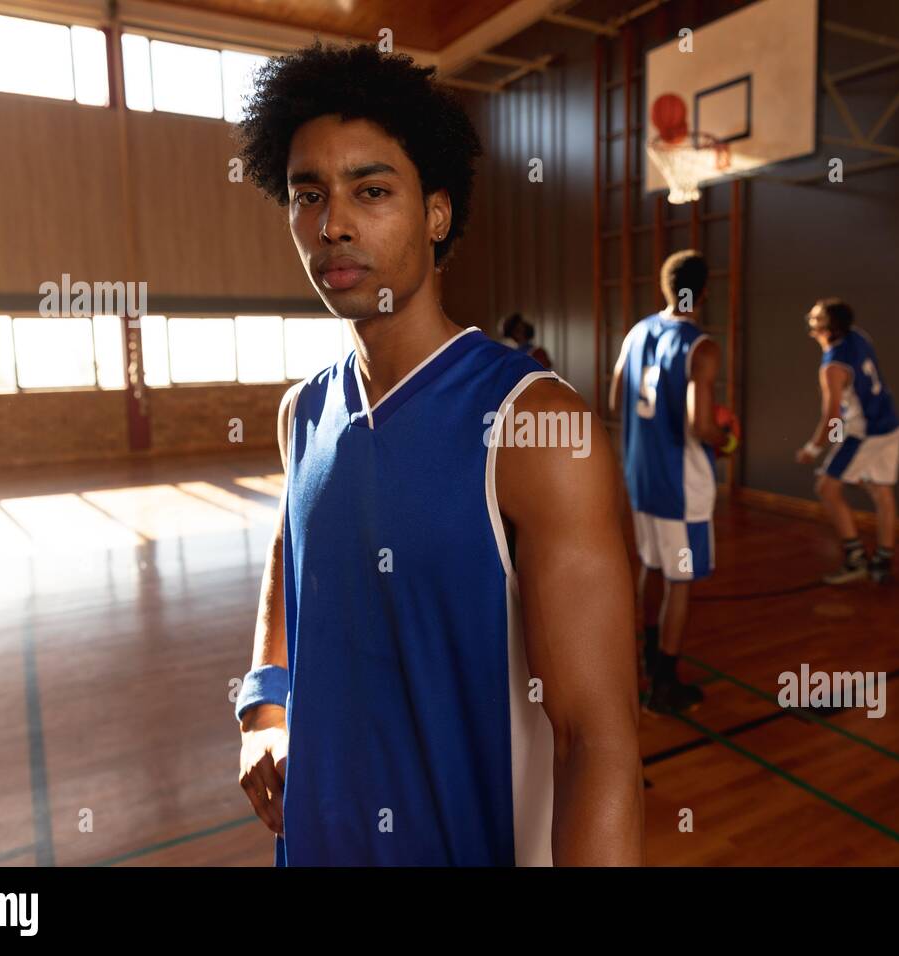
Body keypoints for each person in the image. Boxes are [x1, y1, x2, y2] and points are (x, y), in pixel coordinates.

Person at [232, 42, 641, 866]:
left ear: (437, 214)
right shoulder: (302, 410)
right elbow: (289, 553)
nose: (333, 222)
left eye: (371, 190)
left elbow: (597, 743)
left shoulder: (534, 428)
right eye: (308, 194)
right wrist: (263, 710)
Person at [610, 249, 729, 714]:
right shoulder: (702, 346)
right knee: (681, 581)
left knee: (652, 568)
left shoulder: (638, 331)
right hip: (682, 487)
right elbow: (703, 427)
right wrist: (729, 440)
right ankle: (664, 682)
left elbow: (617, 395)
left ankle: (646, 654)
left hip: (641, 478)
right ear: (704, 291)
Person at [795, 298, 899, 584]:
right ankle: (883, 560)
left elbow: (832, 416)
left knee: (827, 488)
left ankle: (855, 558)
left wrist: (814, 448)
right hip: (890, 425)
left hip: (865, 431)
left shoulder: (832, 367)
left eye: (816, 317)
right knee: (882, 493)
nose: (810, 320)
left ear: (828, 329)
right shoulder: (858, 336)